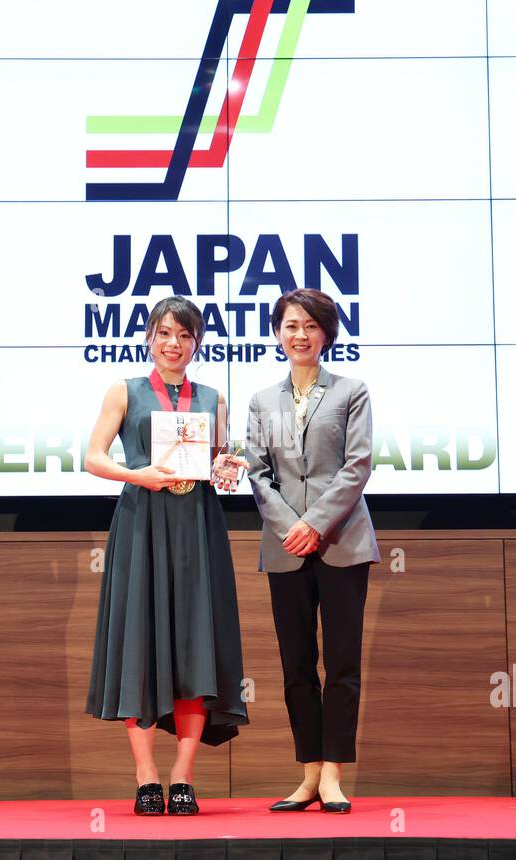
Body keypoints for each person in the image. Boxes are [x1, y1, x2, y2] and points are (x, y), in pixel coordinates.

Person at [84, 295, 248, 816]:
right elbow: (92, 458)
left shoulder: (213, 398)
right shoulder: (125, 390)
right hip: (142, 524)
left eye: (184, 335)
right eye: (164, 334)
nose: (173, 344)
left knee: (195, 646)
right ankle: (146, 776)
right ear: (150, 338)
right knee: (141, 644)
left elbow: (219, 460)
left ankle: (182, 777)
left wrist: (227, 468)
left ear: (196, 342)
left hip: (197, 527)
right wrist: (137, 475)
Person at [243, 288, 379, 814]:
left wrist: (315, 524)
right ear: (278, 333)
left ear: (326, 334)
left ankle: (334, 776)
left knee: (342, 664)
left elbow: (357, 465)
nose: (300, 335)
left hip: (342, 541)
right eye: (291, 325)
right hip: (285, 547)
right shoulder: (261, 401)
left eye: (310, 326)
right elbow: (258, 473)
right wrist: (291, 528)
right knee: (296, 666)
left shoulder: (351, 391)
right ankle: (308, 773)